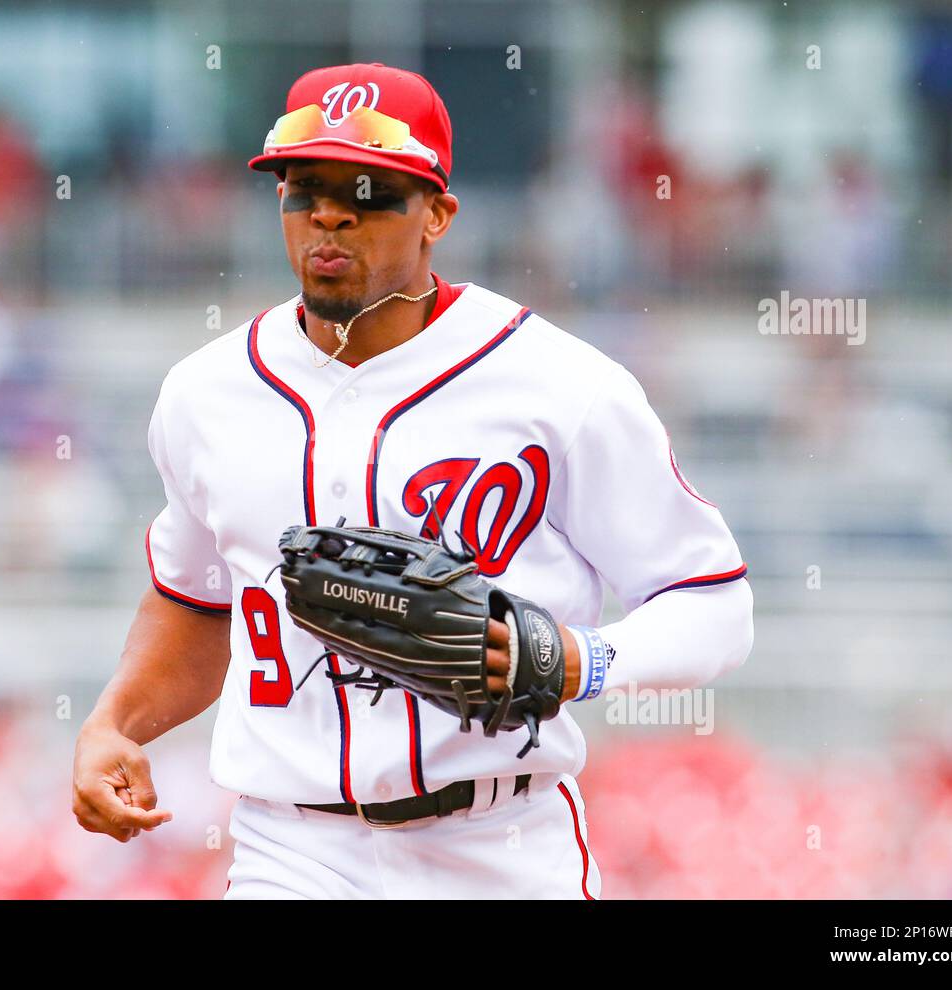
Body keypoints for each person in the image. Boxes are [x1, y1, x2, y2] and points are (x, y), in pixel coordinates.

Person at [72, 62, 754, 899]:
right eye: (304, 187)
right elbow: (195, 600)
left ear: (436, 213)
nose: (329, 213)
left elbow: (714, 603)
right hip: (293, 849)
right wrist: (115, 724)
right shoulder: (205, 395)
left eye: (367, 189)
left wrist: (585, 659)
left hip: (501, 845)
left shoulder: (562, 385)